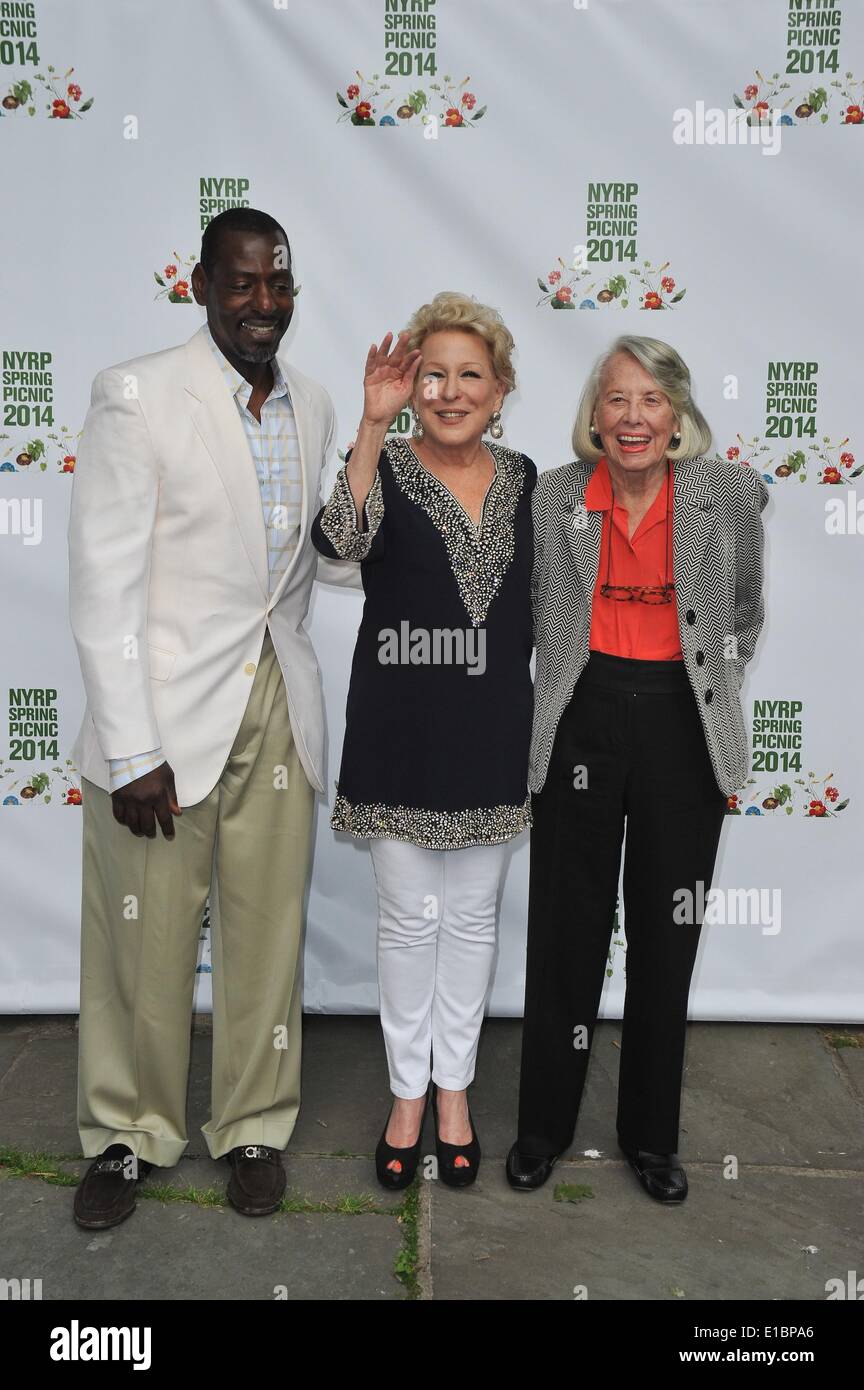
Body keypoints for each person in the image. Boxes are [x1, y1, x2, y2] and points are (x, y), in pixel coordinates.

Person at [67, 207, 359, 1229]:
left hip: (277, 693)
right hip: (161, 713)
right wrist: (134, 746)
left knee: (267, 931)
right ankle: (125, 1132)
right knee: (140, 941)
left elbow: (321, 561)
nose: (263, 303)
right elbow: (104, 587)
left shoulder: (314, 403)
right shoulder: (139, 395)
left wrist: (371, 452)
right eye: (242, 284)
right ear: (200, 285)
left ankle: (253, 1126)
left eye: (278, 284)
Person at [507, 334, 769, 1201]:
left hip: (681, 725)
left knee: (667, 939)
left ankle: (652, 1140)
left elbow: (741, 610)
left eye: (652, 400)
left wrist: (709, 677)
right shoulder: (549, 499)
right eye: (616, 399)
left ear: (678, 415)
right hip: (581, 714)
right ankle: (541, 1128)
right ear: (592, 414)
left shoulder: (726, 494)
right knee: (565, 935)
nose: (633, 418)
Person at [312, 291, 535, 1189]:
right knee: (408, 921)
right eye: (432, 375)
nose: (449, 391)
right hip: (400, 731)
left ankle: (455, 1091)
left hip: (492, 732)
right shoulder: (387, 462)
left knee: (473, 919)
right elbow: (338, 542)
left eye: (469, 375)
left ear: (501, 386)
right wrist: (369, 426)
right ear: (410, 389)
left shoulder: (529, 482)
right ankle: (407, 1094)